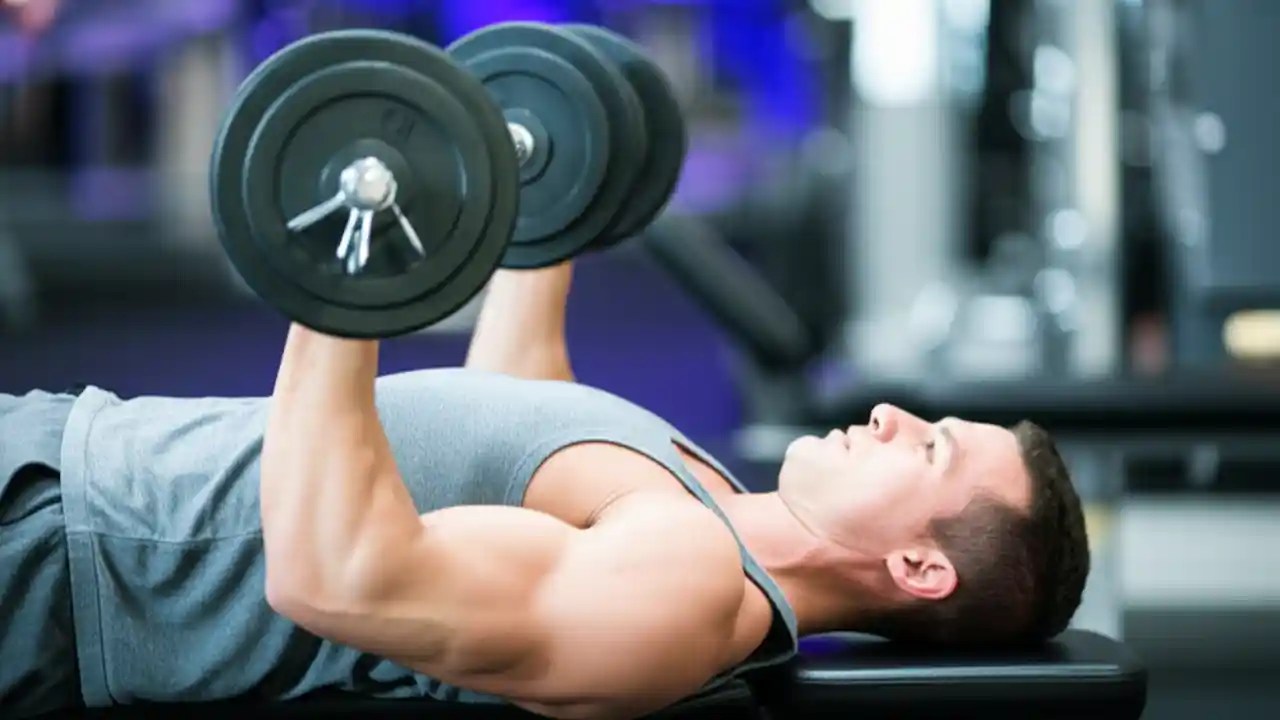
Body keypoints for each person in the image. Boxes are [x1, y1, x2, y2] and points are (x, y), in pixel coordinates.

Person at [0, 262, 1090, 720]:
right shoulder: (699, 505)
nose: (895, 415)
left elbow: (334, 575)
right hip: (61, 463)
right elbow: (505, 417)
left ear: (917, 566)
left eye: (932, 449)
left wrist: (339, 281)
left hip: (57, 556)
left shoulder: (689, 581)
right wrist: (538, 202)